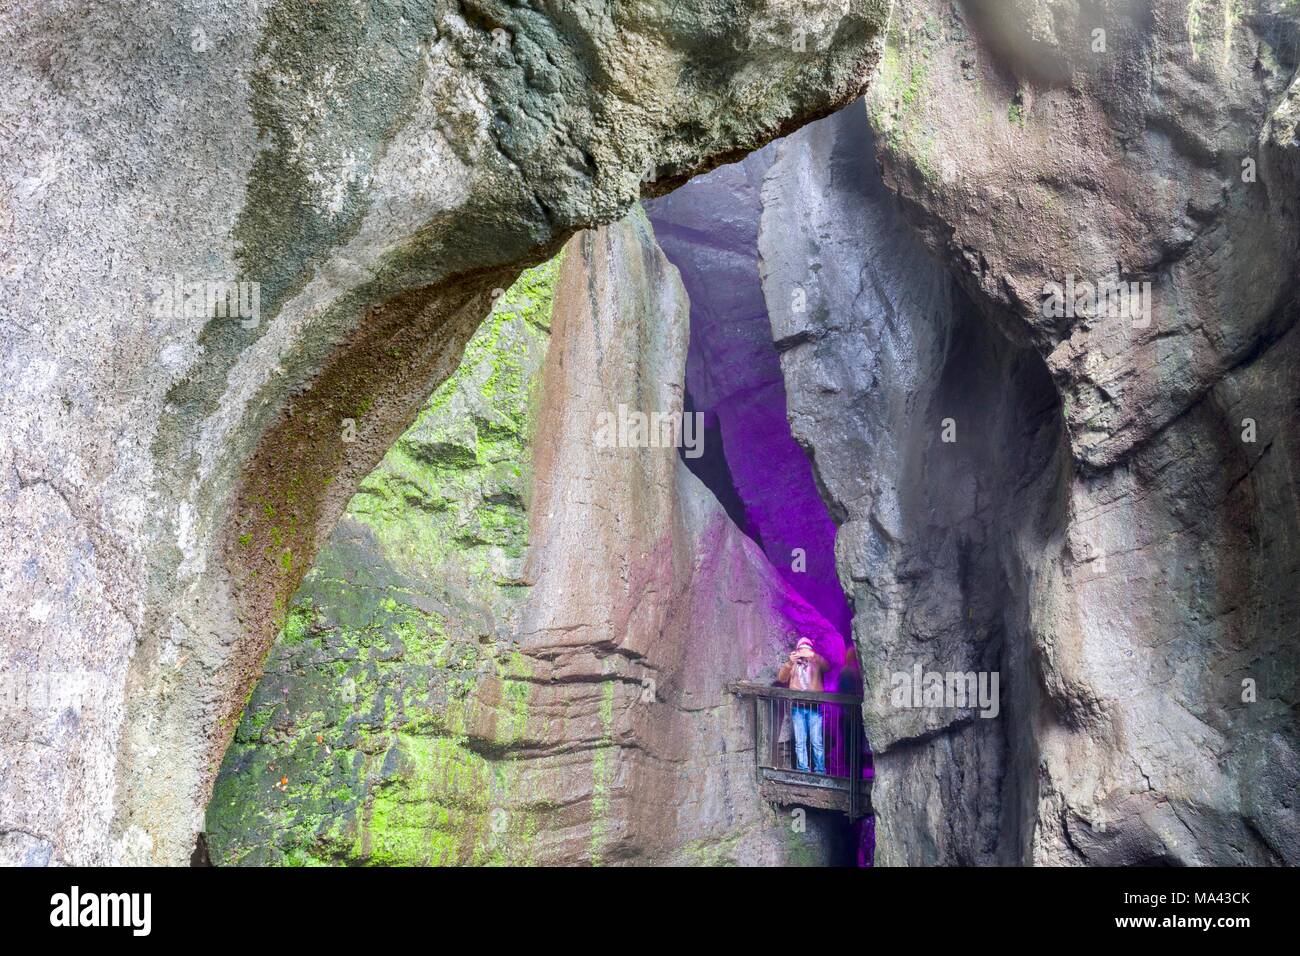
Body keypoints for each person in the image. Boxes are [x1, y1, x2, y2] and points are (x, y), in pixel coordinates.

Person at [777, 636, 829, 774]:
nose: (803, 653)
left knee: (816, 741)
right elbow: (781, 678)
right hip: (797, 707)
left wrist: (814, 656)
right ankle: (803, 770)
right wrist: (789, 663)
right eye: (801, 650)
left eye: (807, 650)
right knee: (800, 742)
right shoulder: (793, 665)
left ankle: (820, 771)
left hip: (814, 707)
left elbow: (828, 666)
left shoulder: (816, 662)